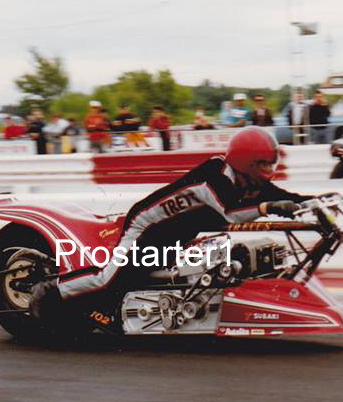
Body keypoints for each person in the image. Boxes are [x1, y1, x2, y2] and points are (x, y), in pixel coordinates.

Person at [28, 126, 313, 322]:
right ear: (247, 162)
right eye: (263, 163)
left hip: (177, 234)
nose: (268, 170)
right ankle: (50, 290)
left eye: (271, 163)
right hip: (146, 229)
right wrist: (270, 207)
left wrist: (308, 202)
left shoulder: (245, 178)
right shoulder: (213, 179)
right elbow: (230, 212)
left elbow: (280, 196)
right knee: (109, 280)